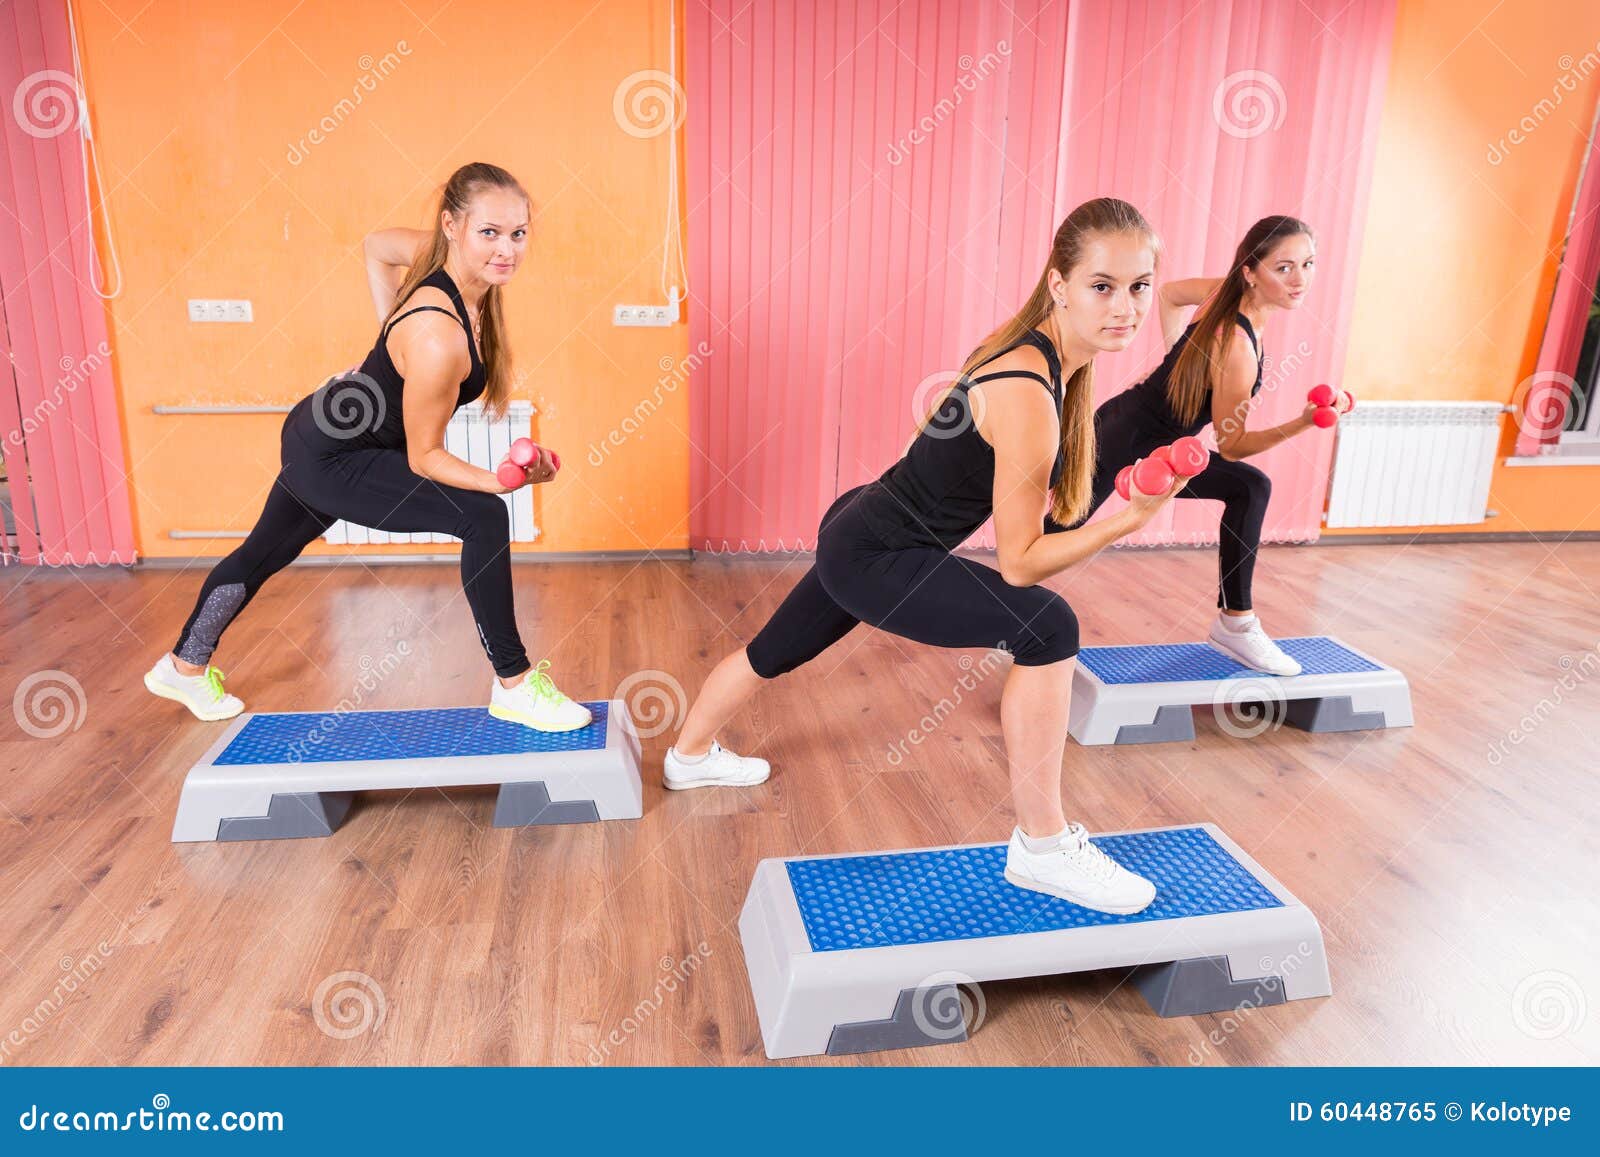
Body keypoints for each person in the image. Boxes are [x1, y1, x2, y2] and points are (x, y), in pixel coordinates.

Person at [663, 198, 1190, 915]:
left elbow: (966, 462)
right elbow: (1021, 565)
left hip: (862, 521)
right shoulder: (1030, 388)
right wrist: (1127, 520)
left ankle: (687, 756)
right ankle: (1042, 846)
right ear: (1060, 284)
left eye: (1139, 285)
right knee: (1049, 627)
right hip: (877, 548)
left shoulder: (1032, 350)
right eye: (1103, 285)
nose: (1125, 306)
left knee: (774, 650)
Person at [144, 162, 589, 732]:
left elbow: (376, 245)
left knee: (263, 553)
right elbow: (424, 458)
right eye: (490, 233)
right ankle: (516, 685)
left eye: (518, 233)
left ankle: (184, 667)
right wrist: (501, 480)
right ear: (453, 226)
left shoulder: (445, 262)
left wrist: (387, 335)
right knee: (483, 516)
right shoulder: (436, 336)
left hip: (321, 429)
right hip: (337, 455)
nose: (506, 250)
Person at [1065, 215, 1341, 676]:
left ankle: (1237, 621)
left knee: (1247, 488)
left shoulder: (1227, 295)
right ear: (1251, 272)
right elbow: (1231, 447)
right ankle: (1236, 624)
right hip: (1124, 438)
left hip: (1137, 433)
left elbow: (1170, 293)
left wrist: (1178, 360)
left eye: (1308, 264)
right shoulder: (1237, 348)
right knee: (1050, 539)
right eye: (1284, 267)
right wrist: (1303, 422)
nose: (1300, 280)